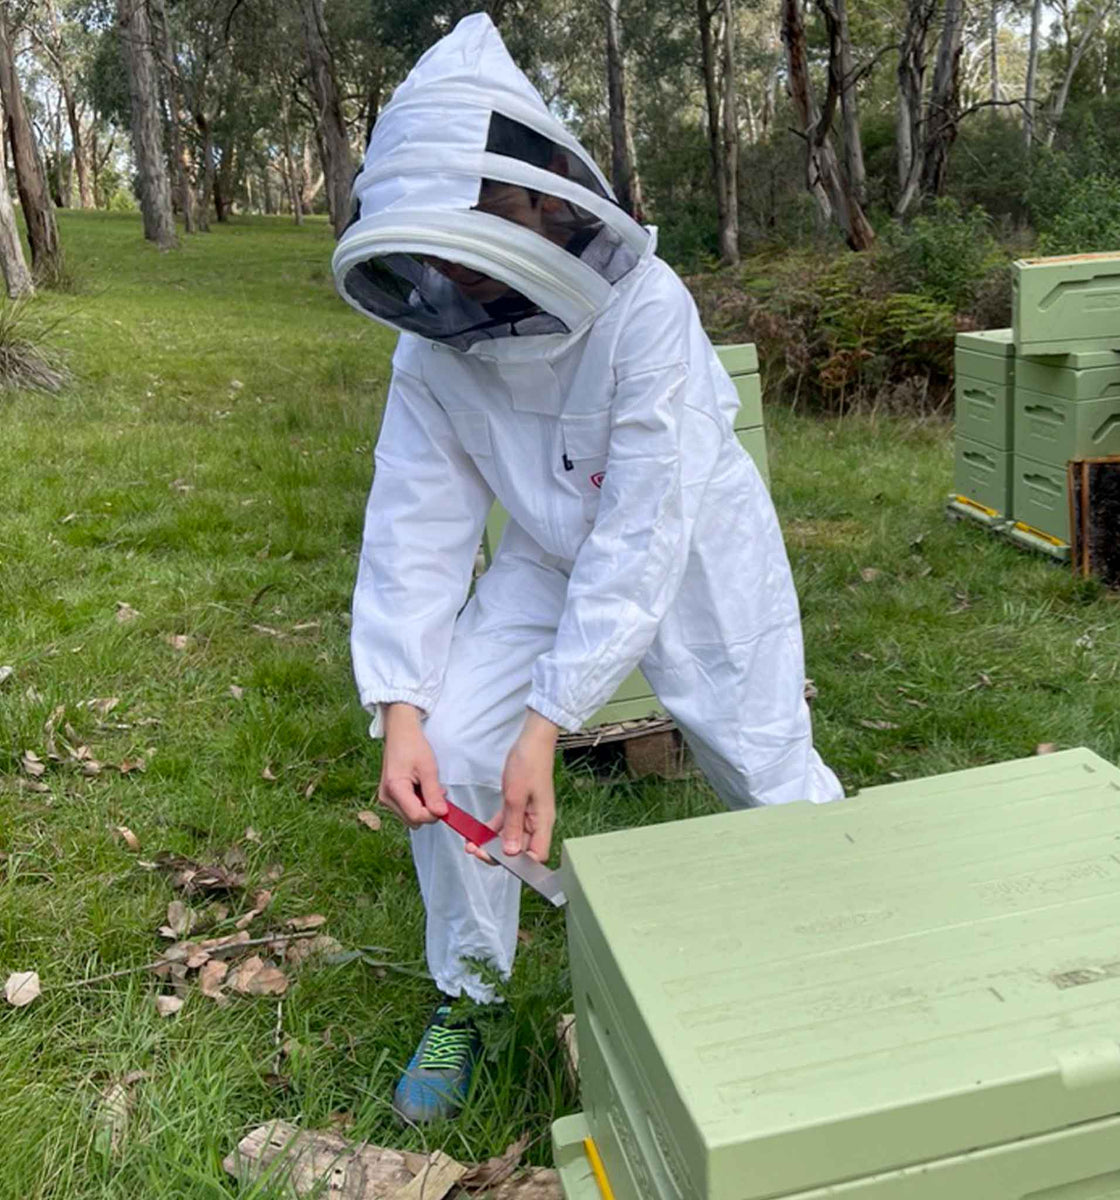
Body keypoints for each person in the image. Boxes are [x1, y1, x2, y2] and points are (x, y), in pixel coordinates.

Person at [331, 13, 843, 1125]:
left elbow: (645, 533)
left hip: (696, 546)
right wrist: (402, 705)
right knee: (461, 742)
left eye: (487, 227)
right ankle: (471, 994)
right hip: (546, 551)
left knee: (758, 758)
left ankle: (842, 939)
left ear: (543, 198)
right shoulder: (432, 344)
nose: (459, 270)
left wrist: (551, 724)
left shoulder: (648, 311)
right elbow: (414, 519)